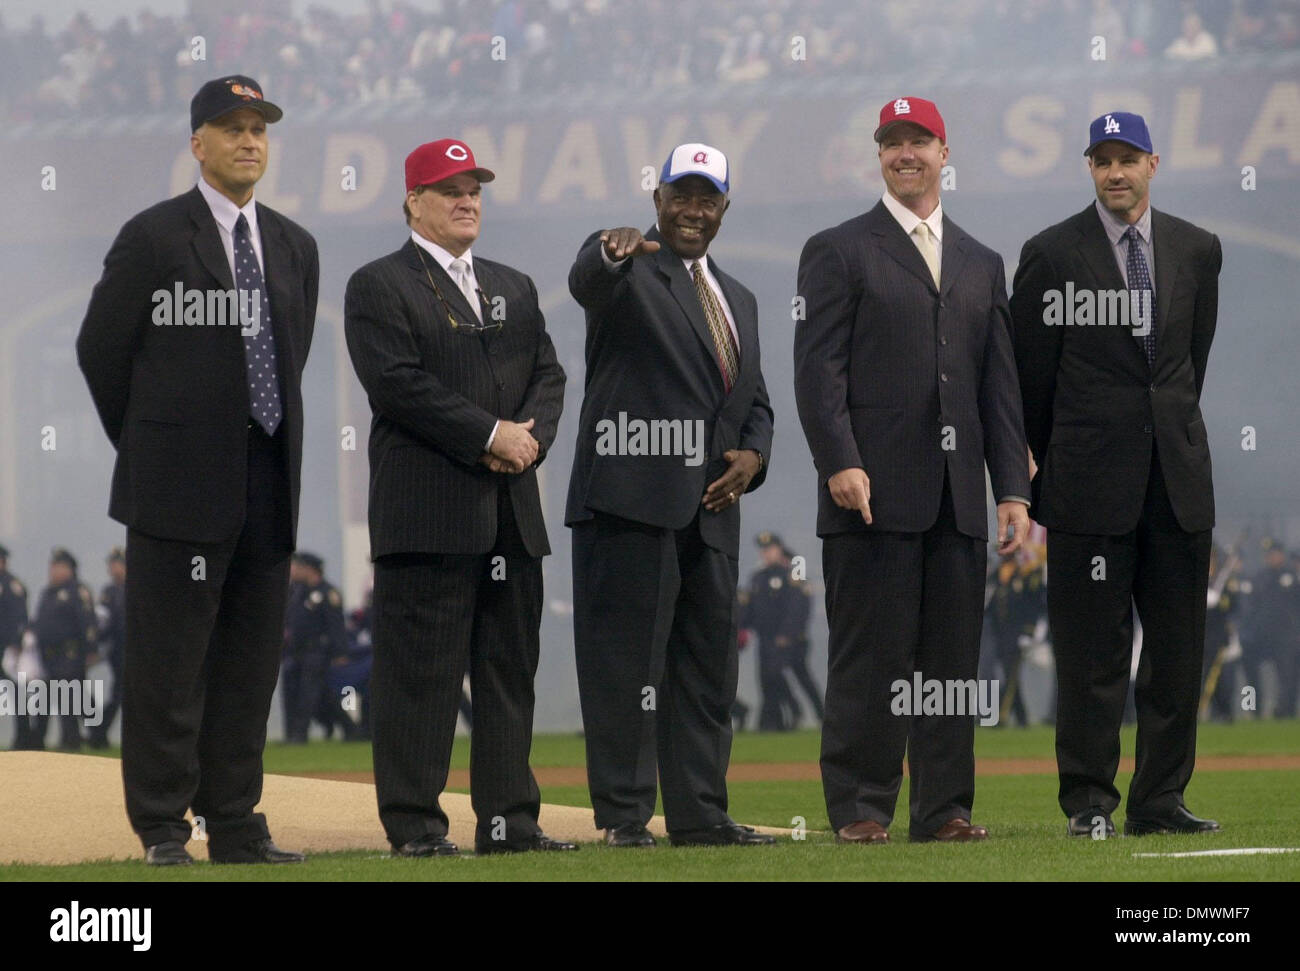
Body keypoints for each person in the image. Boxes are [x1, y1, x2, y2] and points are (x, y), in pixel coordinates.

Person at [77, 75, 318, 865]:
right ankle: (162, 827)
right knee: (169, 669)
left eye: (259, 128)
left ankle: (237, 823)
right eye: (232, 127)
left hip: (267, 478)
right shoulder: (152, 237)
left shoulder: (292, 245)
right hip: (176, 488)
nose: (250, 140)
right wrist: (154, 444)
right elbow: (101, 352)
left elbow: (291, 357)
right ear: (197, 143)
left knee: (248, 668)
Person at [794, 96, 1030, 845]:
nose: (906, 153)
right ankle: (862, 807)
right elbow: (816, 371)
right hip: (869, 497)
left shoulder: (982, 262)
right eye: (892, 143)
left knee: (950, 665)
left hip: (959, 502)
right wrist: (840, 461)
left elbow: (1000, 389)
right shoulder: (836, 249)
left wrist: (1014, 490)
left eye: (918, 141)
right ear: (880, 156)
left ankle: (944, 809)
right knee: (871, 659)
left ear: (943, 151)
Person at [344, 137, 572, 858]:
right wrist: (490, 434)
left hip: (511, 514)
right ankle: (414, 826)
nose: (467, 198)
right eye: (449, 188)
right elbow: (398, 384)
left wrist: (529, 439)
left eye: (474, 187)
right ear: (413, 202)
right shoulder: (379, 284)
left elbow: (549, 372)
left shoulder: (515, 284)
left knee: (509, 675)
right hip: (429, 513)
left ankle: (511, 822)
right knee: (422, 681)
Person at [1010, 111, 1223, 837]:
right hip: (1087, 492)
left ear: (1153, 164)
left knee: (1175, 662)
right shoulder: (1049, 254)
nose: (1115, 172)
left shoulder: (1198, 250)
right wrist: (1059, 461)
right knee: (1090, 662)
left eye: (1127, 158)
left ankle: (1159, 801)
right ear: (1089, 169)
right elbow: (1029, 385)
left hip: (1177, 485)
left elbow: (1186, 366)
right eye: (1102, 160)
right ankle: (1090, 805)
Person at [566, 142, 775, 848]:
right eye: (680, 195)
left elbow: (756, 402)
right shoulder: (628, 269)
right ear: (656, 200)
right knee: (626, 666)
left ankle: (700, 812)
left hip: (713, 511)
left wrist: (755, 455)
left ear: (723, 207)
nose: (692, 209)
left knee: (707, 672)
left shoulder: (738, 297)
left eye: (706, 197)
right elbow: (584, 279)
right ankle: (626, 816)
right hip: (632, 500)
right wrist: (607, 250)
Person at [740, 532, 821, 731]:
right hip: (766, 640)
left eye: (770, 549)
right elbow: (750, 611)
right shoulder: (758, 578)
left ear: (779, 549)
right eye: (763, 550)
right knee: (768, 680)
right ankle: (773, 721)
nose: (766, 553)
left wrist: (787, 634)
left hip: (792, 640)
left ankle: (821, 715)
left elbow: (798, 608)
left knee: (802, 678)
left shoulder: (793, 574)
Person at [29, 548, 98, 751]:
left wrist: (91, 649)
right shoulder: (48, 593)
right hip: (48, 657)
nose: (52, 571)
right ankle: (46, 740)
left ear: (68, 569)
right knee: (50, 699)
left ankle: (73, 740)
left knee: (69, 698)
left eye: (57, 567)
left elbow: (88, 622)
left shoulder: (77, 591)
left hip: (70, 655)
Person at [281, 552, 348, 743]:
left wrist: (340, 652)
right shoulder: (296, 592)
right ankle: (291, 734)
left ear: (309, 569)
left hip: (316, 652)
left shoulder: (328, 593)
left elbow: (336, 625)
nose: (293, 570)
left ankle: (300, 735)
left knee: (308, 695)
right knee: (292, 693)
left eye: (297, 567)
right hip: (294, 652)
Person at [87, 546, 127, 749]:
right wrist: (94, 647)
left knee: (121, 695)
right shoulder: (109, 592)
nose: (111, 568)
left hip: (135, 652)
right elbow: (102, 625)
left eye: (115, 564)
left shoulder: (137, 588)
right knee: (119, 694)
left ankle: (99, 732)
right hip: (117, 652)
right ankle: (98, 732)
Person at [0, 544, 33, 750]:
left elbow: (20, 618)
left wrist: (16, 644)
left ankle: (24, 737)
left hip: (6, 650)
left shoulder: (12, 585)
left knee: (15, 691)